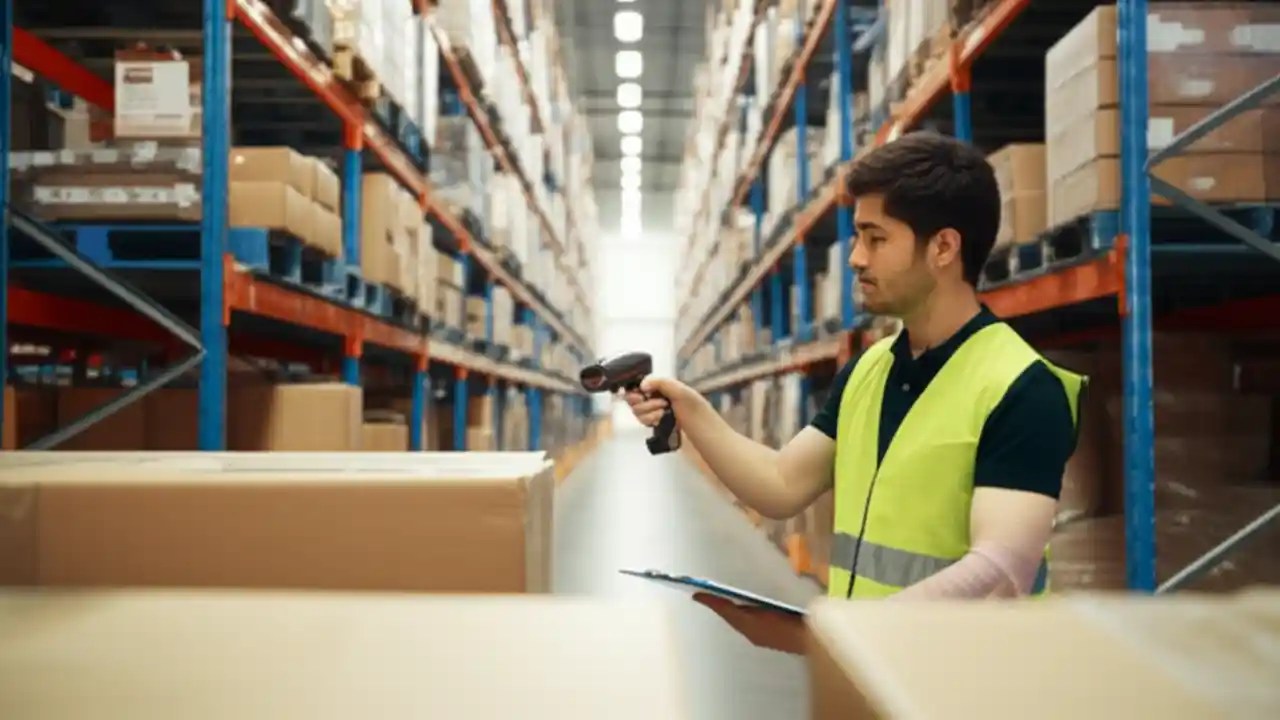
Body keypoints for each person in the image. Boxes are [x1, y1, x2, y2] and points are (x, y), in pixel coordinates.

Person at [624, 131, 1085, 654]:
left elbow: (1001, 571)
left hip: (963, 688)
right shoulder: (871, 369)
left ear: (943, 247)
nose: (855, 259)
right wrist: (690, 409)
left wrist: (849, 636)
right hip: (871, 676)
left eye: (876, 238)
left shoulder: (1022, 387)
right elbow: (781, 484)